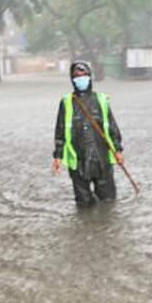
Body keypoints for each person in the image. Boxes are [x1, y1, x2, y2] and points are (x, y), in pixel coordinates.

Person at [52, 60, 125, 207]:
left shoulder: (101, 100)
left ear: (90, 77)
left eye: (84, 75)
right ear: (72, 79)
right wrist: (58, 157)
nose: (81, 79)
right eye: (77, 76)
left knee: (108, 202)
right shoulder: (66, 102)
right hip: (78, 160)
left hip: (101, 158)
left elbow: (111, 127)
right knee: (83, 204)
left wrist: (118, 150)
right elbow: (60, 131)